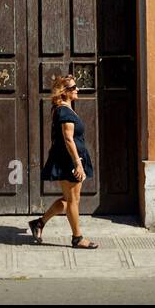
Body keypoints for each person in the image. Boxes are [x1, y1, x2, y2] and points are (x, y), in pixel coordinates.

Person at [29, 74, 98, 249]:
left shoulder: (65, 108)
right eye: (73, 88)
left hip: (68, 159)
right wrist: (78, 163)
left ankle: (39, 223)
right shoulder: (64, 111)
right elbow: (68, 139)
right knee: (73, 201)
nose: (77, 90)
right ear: (64, 92)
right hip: (68, 161)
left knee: (69, 200)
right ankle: (77, 238)